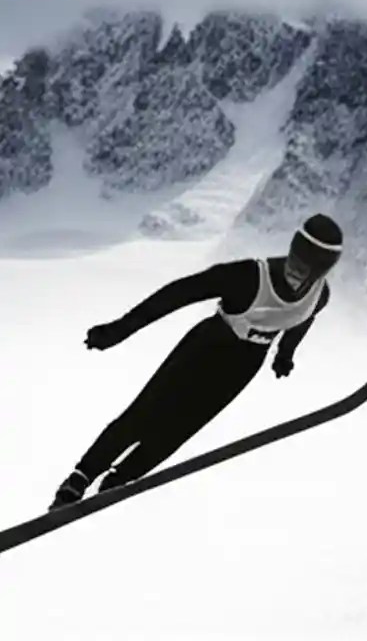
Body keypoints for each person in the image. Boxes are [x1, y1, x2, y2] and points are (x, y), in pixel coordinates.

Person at [50, 214, 344, 509]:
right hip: (206, 347)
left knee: (179, 429)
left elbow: (302, 319)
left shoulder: (320, 296)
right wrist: (120, 329)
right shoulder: (249, 277)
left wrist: (285, 354)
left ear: (320, 271)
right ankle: (80, 478)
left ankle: (118, 480)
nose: (294, 271)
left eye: (303, 269)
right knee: (145, 413)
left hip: (244, 366)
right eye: (294, 261)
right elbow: (180, 293)